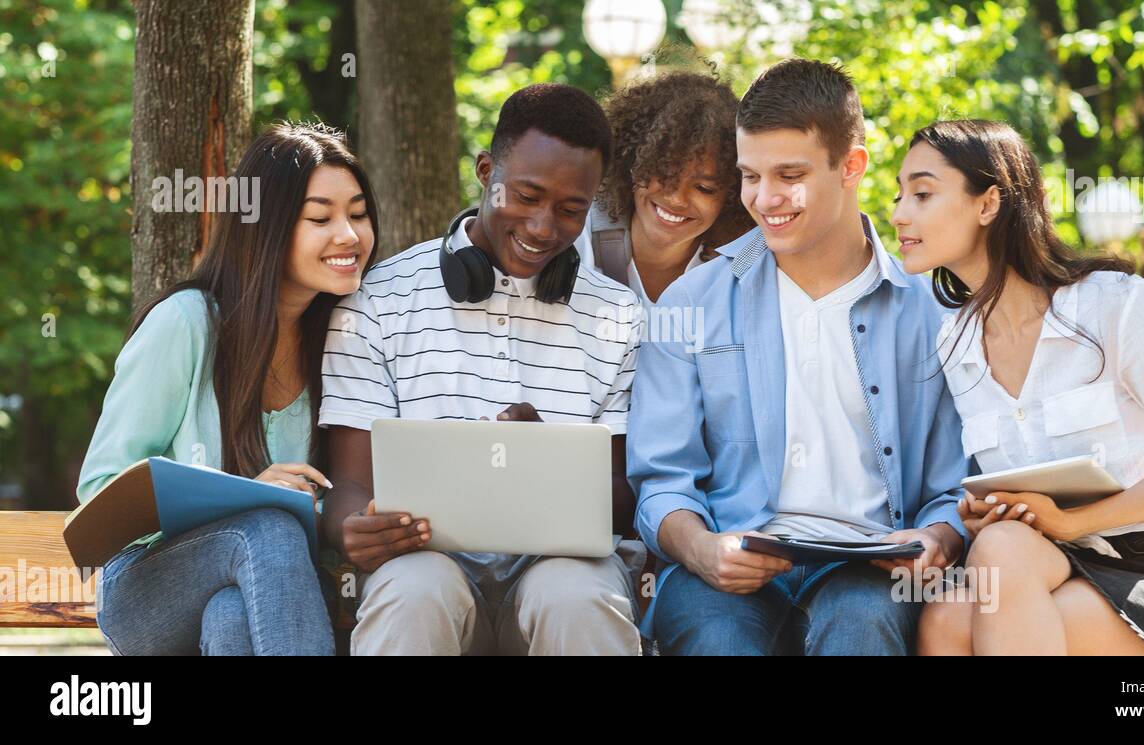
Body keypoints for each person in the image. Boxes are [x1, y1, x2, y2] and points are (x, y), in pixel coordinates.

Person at [627, 59, 969, 656]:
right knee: (719, 640)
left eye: (789, 175)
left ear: (852, 166)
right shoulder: (690, 303)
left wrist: (938, 538)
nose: (764, 199)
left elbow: (956, 485)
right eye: (749, 176)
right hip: (724, 562)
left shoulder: (932, 313)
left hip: (870, 567)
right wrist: (702, 550)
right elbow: (662, 480)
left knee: (861, 628)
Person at [319, 83, 645, 656]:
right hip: (424, 565)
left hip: (561, 570)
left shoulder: (618, 314)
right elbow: (349, 484)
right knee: (413, 592)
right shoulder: (377, 300)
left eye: (571, 210)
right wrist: (351, 529)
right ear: (486, 171)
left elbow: (627, 495)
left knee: (576, 596)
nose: (543, 226)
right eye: (526, 196)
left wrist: (549, 466)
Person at [892, 119, 1144, 655]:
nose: (899, 214)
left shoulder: (1115, 304)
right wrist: (991, 512)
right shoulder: (954, 342)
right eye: (899, 196)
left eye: (921, 194)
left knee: (995, 585)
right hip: (1046, 561)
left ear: (988, 203)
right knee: (947, 615)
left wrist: (1072, 521)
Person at [79, 122, 378, 655]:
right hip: (147, 588)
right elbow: (100, 490)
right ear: (265, 226)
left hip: (265, 593)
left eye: (358, 215)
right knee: (267, 528)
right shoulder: (186, 323)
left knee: (230, 617)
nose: (349, 236)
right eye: (320, 218)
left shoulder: (344, 339)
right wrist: (244, 494)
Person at [575, 68, 752, 304]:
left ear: (732, 196)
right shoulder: (576, 235)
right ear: (632, 162)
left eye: (704, 188)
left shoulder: (741, 272)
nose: (677, 198)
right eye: (665, 173)